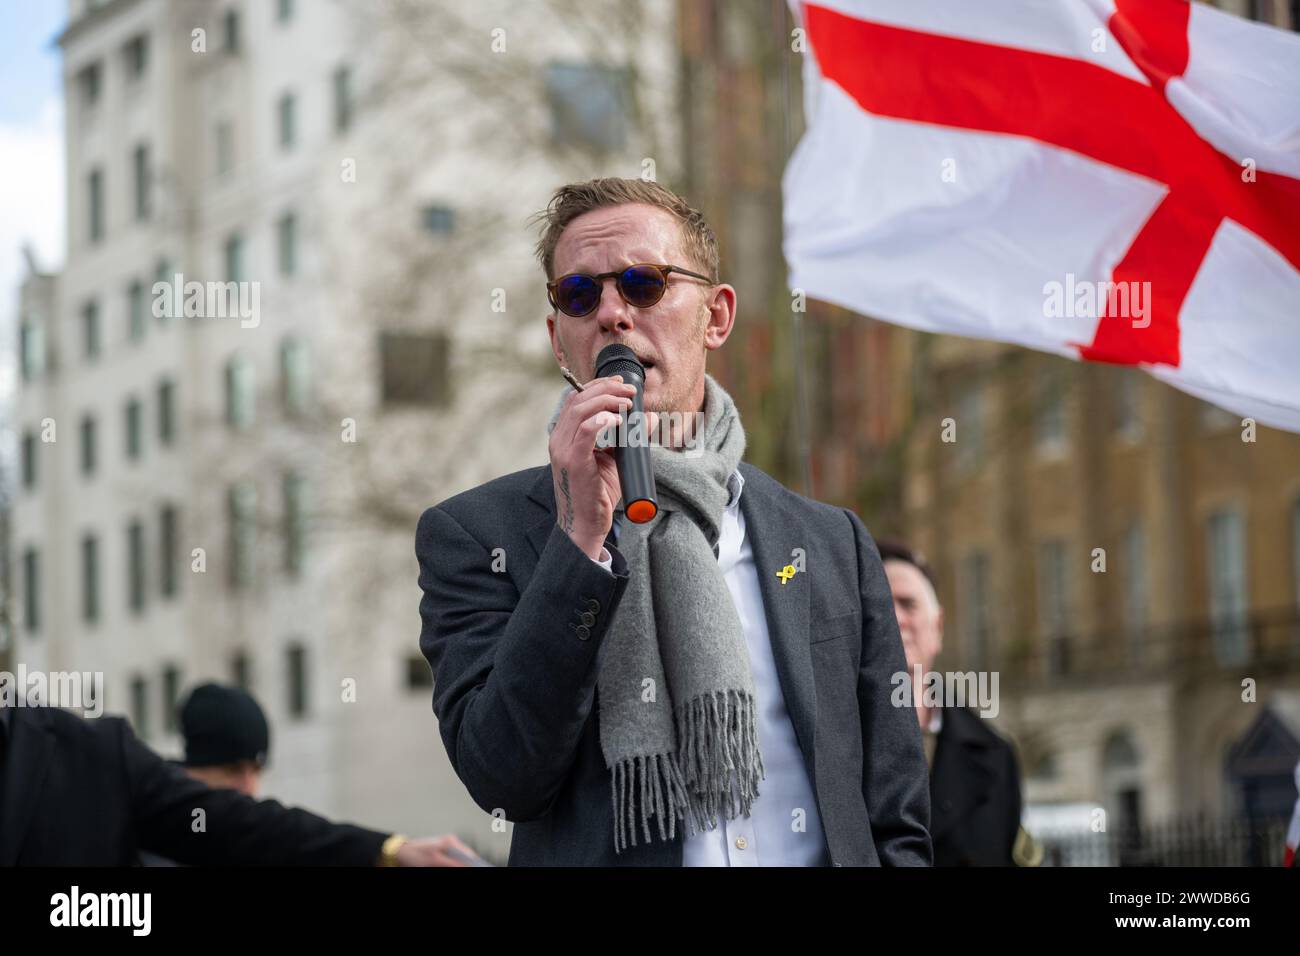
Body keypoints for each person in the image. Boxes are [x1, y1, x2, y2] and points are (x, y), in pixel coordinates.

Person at [415, 177, 931, 866]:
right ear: (557, 339)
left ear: (716, 317)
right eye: (579, 294)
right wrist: (581, 544)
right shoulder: (477, 536)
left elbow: (893, 813)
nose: (612, 314)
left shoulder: (830, 543)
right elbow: (503, 776)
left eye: (644, 283)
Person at [0, 697, 475, 867]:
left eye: (254, 772)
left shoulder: (88, 754)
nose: (247, 785)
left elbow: (246, 828)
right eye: (233, 772)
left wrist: (387, 851)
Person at [877, 539, 1037, 866]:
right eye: (880, 603)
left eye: (908, 604)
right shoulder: (830, 748)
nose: (895, 617)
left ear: (938, 627)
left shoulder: (996, 757)